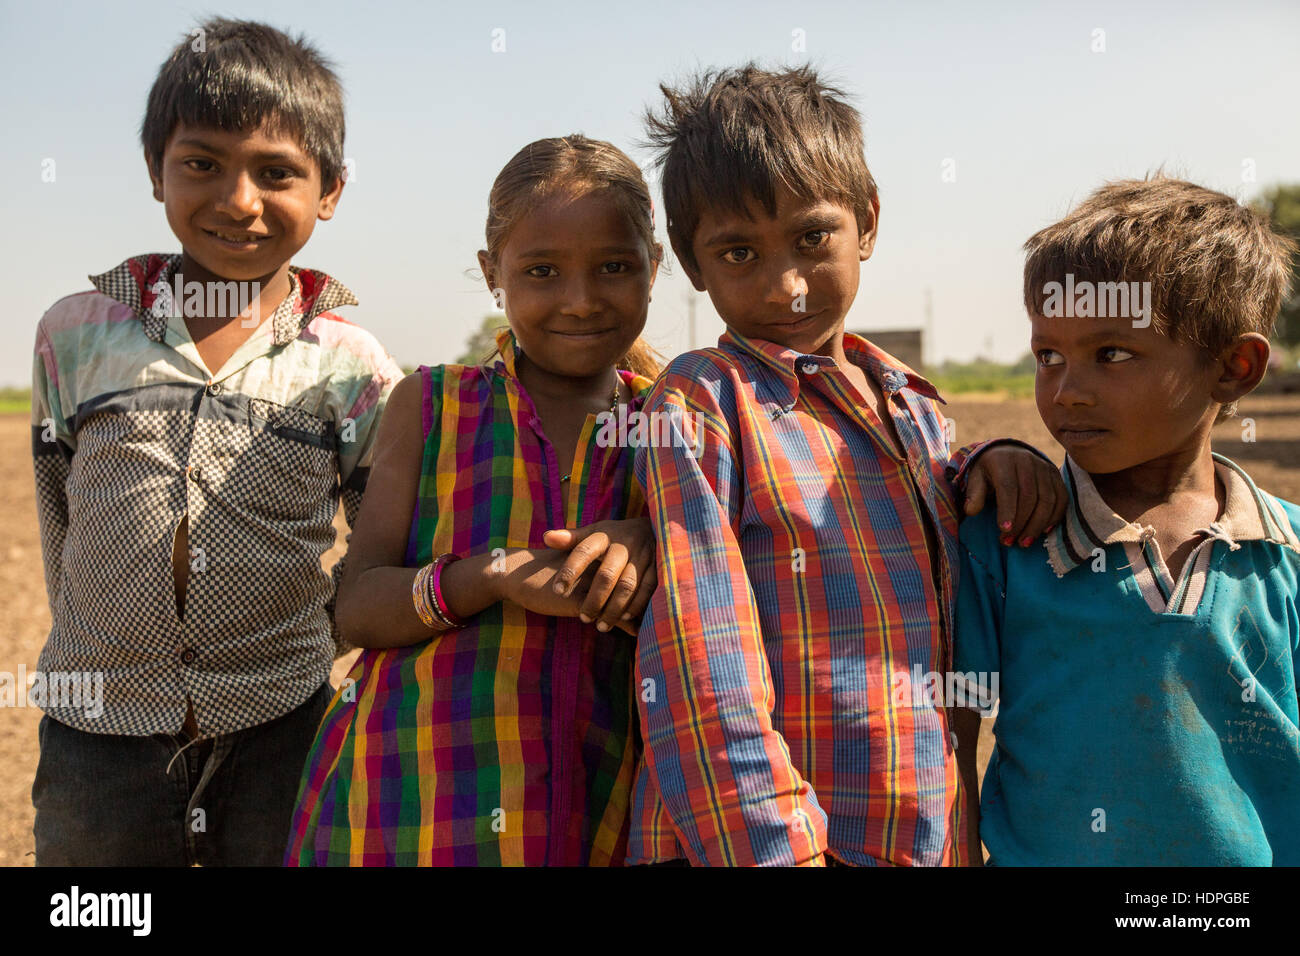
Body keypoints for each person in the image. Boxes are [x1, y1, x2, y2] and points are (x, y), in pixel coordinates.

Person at [627, 64, 1064, 867]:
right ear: (692, 267)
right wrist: (777, 851)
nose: (787, 285)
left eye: (812, 238)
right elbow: (702, 654)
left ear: (866, 223)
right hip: (772, 847)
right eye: (737, 252)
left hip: (918, 838)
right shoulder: (703, 403)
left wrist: (995, 459)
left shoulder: (917, 411)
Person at [28, 19, 402, 865]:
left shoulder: (351, 367)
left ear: (331, 190)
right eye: (202, 164)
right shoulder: (76, 335)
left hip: (281, 728)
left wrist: (313, 631)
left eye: (277, 173)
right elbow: (62, 521)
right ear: (156, 170)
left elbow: (379, 540)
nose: (238, 201)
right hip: (98, 733)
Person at [286, 135, 664, 866]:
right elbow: (356, 606)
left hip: (600, 809)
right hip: (405, 807)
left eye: (615, 267)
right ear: (494, 273)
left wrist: (651, 540)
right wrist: (490, 575)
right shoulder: (431, 404)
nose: (579, 300)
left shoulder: (675, 423)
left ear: (657, 263)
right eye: (541, 271)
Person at [953, 175, 1300, 865]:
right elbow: (953, 726)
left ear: (1234, 368)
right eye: (1048, 355)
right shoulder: (1007, 540)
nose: (1065, 391)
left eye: (1110, 354)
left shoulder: (1285, 554)